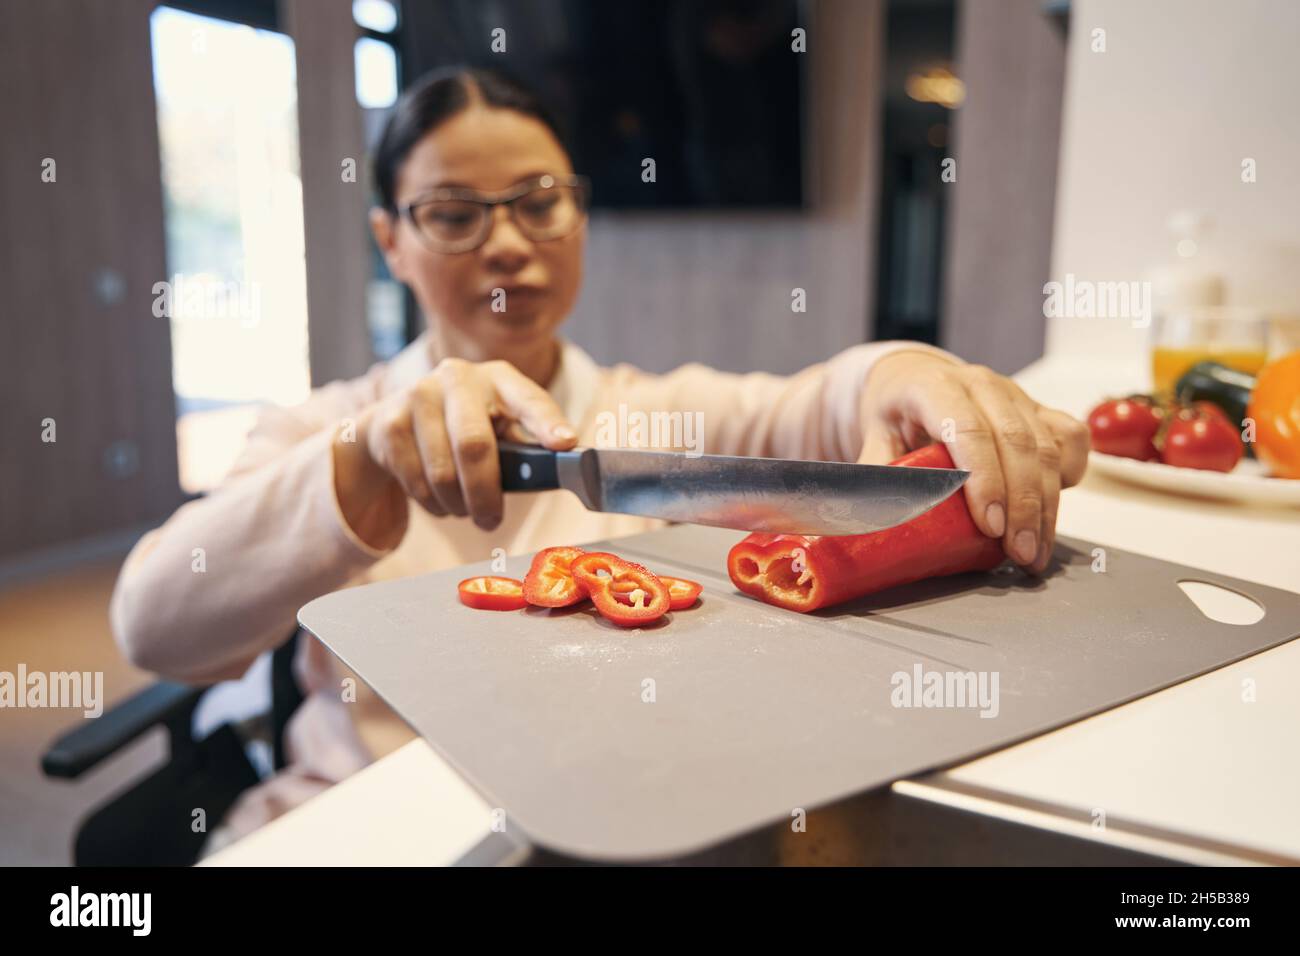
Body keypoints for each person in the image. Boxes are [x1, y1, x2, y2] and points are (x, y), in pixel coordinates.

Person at [110, 67, 1089, 849]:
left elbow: (817, 405)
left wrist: (897, 370)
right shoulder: (317, 429)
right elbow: (155, 627)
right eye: (454, 213)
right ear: (391, 242)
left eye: (539, 202)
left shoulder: (652, 417)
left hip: (611, 821)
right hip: (365, 821)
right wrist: (362, 456)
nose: (506, 243)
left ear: (579, 216)